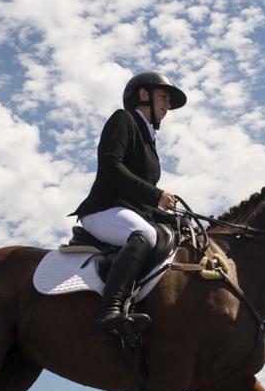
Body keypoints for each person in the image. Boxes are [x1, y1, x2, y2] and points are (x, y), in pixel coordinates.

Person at [72, 71, 187, 335]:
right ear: (143, 95)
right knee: (143, 235)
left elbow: (141, 199)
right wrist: (156, 195)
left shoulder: (150, 142)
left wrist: (169, 216)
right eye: (163, 96)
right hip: (102, 209)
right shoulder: (123, 120)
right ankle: (109, 310)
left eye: (168, 100)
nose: (167, 105)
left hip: (128, 210)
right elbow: (112, 168)